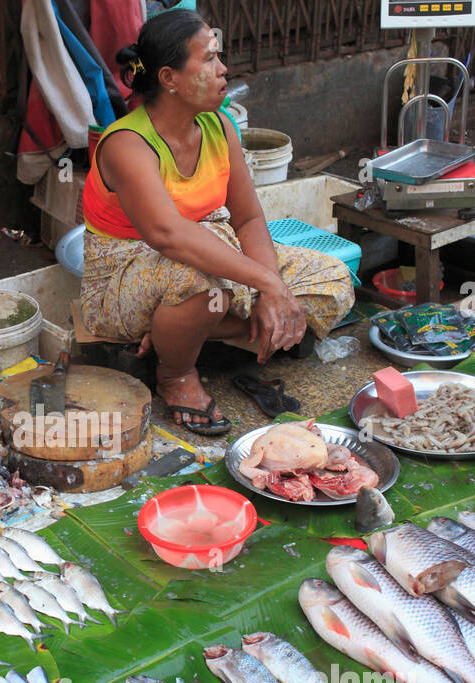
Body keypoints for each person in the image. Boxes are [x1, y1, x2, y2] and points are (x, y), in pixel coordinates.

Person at [80, 10, 354, 435]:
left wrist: (268, 288)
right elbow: (168, 236)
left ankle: (187, 329)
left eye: (218, 56)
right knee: (198, 285)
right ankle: (175, 374)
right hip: (126, 279)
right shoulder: (127, 144)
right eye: (208, 59)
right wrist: (269, 284)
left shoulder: (220, 126)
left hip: (213, 258)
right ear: (169, 78)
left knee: (332, 280)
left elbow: (246, 218)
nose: (223, 69)